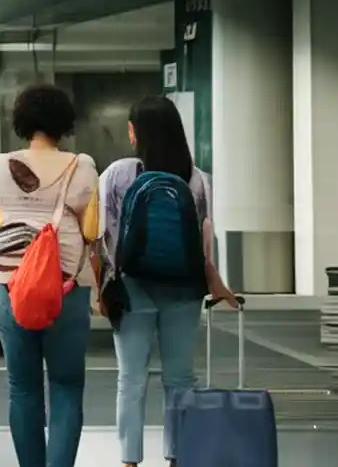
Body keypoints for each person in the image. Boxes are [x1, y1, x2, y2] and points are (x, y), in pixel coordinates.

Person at [100, 96, 238, 467]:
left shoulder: (118, 175)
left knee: (131, 378)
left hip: (132, 286)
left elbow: (104, 236)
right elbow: (203, 245)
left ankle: (129, 461)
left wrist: (103, 287)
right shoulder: (200, 180)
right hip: (184, 289)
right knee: (180, 378)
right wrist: (216, 284)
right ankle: (178, 456)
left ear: (135, 132)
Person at [0, 83, 100, 467]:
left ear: (22, 121)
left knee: (22, 389)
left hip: (8, 286)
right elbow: (93, 229)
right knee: (66, 386)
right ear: (64, 122)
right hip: (64, 288)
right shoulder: (81, 166)